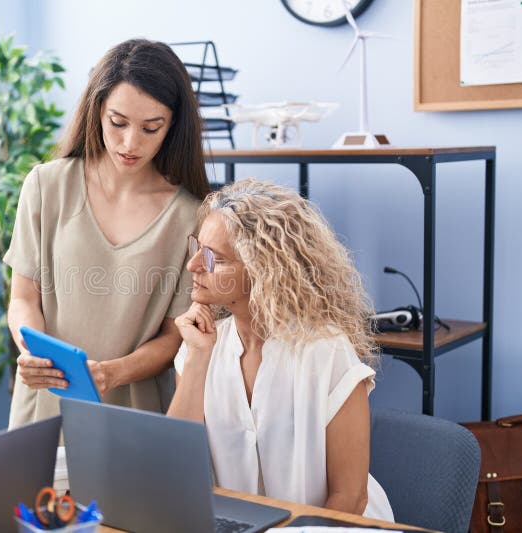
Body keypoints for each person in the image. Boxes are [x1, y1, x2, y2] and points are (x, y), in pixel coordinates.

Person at [3, 38, 210, 428]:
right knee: (33, 491)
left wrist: (112, 373)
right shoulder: (47, 186)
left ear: (173, 126)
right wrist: (31, 349)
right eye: (118, 122)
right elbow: (23, 298)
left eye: (151, 128)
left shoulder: (191, 216)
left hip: (136, 413)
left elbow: (175, 337)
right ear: (97, 110)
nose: (130, 143)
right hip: (45, 404)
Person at [167, 179, 393, 520]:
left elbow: (350, 497)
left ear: (264, 272)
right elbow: (175, 472)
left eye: (216, 258)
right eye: (197, 247)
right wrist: (198, 358)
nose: (194, 265)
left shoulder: (326, 351)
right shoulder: (200, 347)